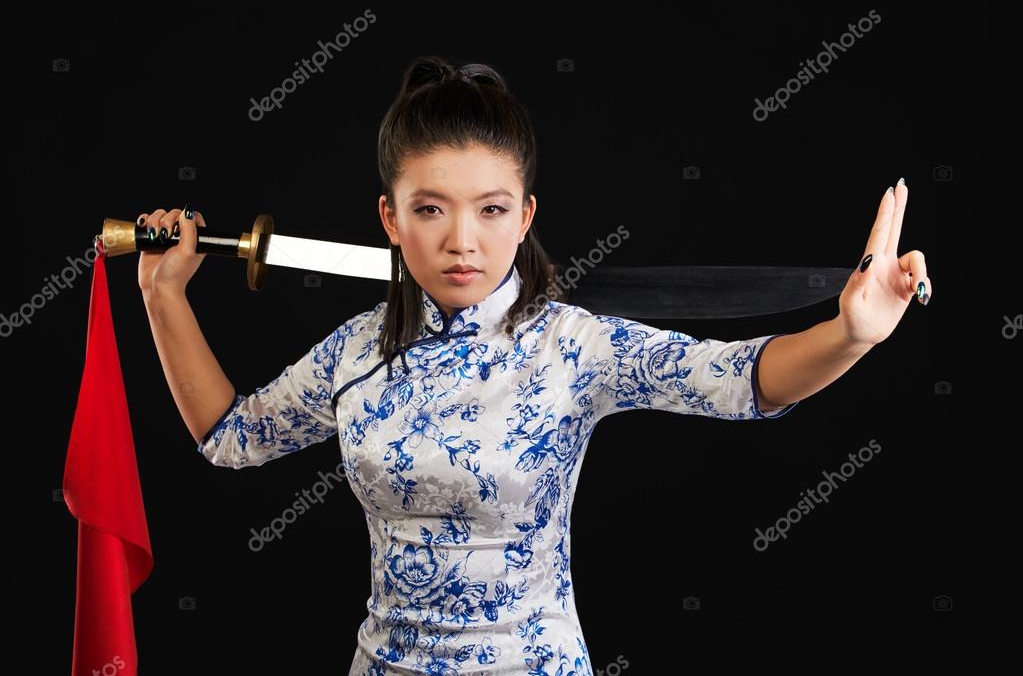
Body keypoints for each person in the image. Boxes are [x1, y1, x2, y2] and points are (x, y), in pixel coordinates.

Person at [138, 55, 931, 675]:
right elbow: (231, 436)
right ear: (390, 217)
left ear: (524, 217)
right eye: (428, 208)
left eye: (489, 209)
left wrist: (849, 336)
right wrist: (163, 294)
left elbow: (742, 379)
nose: (461, 241)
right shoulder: (355, 352)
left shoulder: (573, 347)